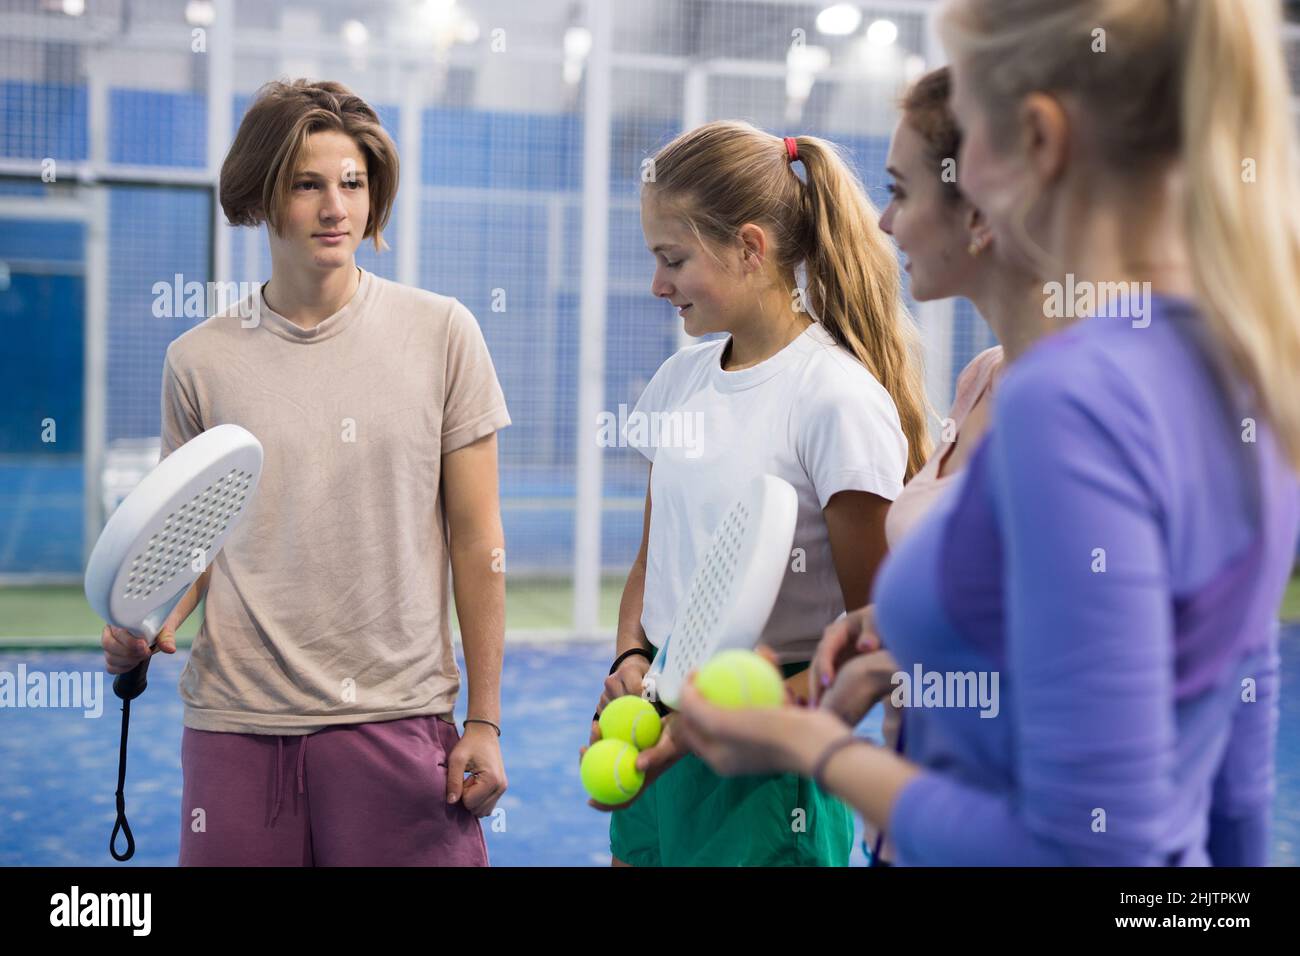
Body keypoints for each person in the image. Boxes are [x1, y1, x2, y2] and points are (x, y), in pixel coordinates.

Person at [676, 0, 1300, 866]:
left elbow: (1086, 850)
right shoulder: (1245, 363)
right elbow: (1236, 723)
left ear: (1037, 142)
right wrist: (919, 658)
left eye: (964, 122)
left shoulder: (1065, 401)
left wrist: (802, 747)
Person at [100, 79, 511, 866]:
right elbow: (193, 538)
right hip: (236, 723)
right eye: (308, 184)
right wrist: (146, 623)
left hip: (399, 718)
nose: (336, 208)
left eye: (352, 183)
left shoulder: (444, 333)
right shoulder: (198, 360)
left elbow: (477, 541)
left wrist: (485, 720)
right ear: (261, 196)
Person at [588, 120, 932, 866]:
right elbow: (654, 564)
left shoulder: (834, 398)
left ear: (750, 247)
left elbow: (880, 633)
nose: (657, 284)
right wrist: (631, 660)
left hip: (765, 767)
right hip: (655, 744)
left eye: (672, 258)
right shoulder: (677, 381)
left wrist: (751, 716)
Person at [812, 65, 1043, 865]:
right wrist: (887, 636)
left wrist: (802, 746)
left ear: (977, 210)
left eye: (901, 191)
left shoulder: (1072, 418)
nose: (883, 221)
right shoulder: (984, 375)